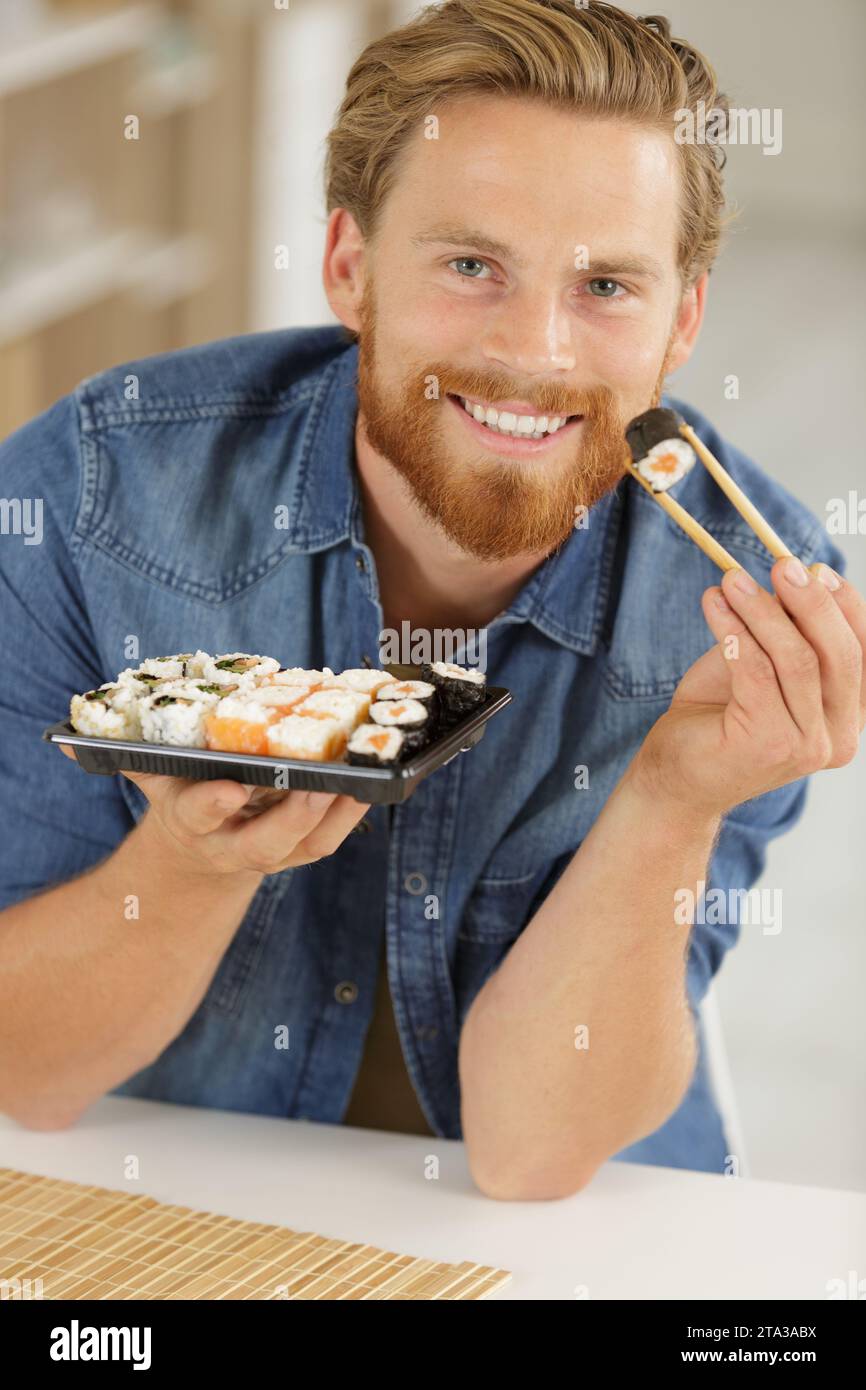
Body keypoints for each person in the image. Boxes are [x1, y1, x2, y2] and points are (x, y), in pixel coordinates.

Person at [0, 0, 861, 1201]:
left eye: (606, 284)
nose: (537, 353)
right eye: (470, 265)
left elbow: (531, 1157)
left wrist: (674, 795)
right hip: (190, 1198)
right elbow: (26, 1076)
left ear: (683, 321)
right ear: (349, 268)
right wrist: (190, 867)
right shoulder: (89, 500)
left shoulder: (735, 599)